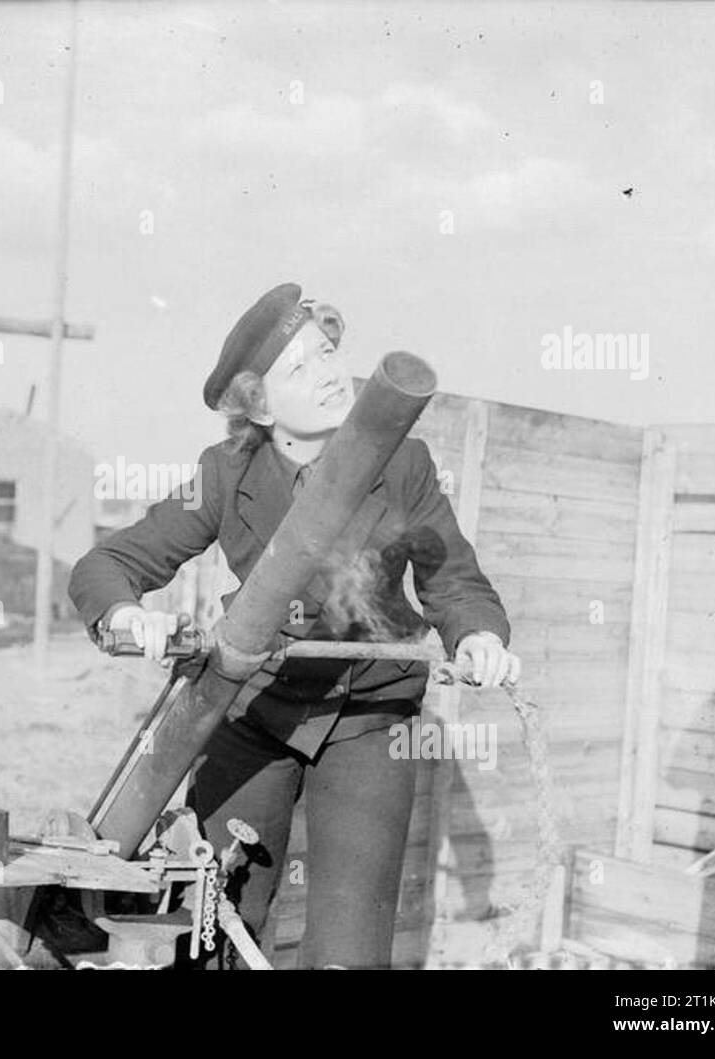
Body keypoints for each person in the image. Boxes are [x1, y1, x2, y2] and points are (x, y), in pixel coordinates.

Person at [68, 283, 520, 968]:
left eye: (329, 353)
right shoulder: (223, 473)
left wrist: (477, 635)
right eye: (301, 367)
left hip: (370, 720)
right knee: (215, 926)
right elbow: (109, 563)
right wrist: (129, 613)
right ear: (258, 403)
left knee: (350, 949)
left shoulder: (404, 464)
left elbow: (451, 578)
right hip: (252, 714)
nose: (330, 372)